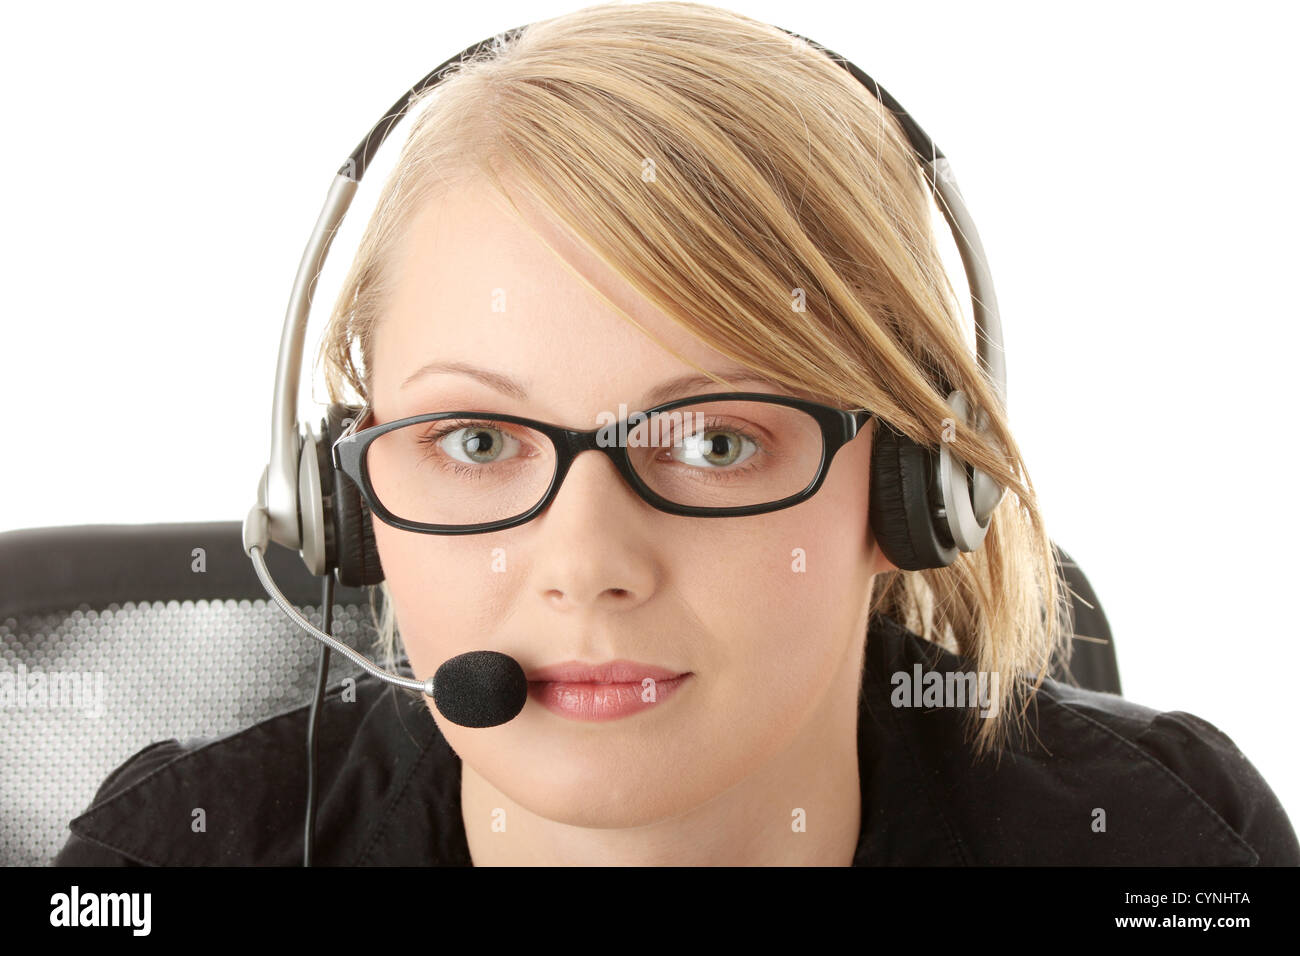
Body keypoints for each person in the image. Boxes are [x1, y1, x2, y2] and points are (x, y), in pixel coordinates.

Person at [53, 0, 1299, 866]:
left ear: (916, 486)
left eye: (711, 441)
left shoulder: (1166, 850)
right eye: (478, 440)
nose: (586, 558)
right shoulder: (163, 861)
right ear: (344, 502)